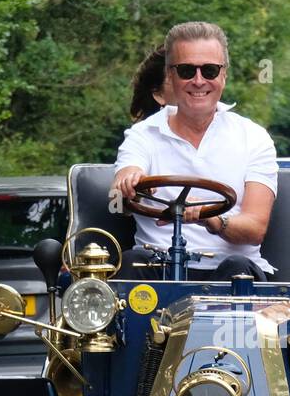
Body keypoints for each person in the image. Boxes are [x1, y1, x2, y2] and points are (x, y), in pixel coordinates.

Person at [110, 21, 276, 279]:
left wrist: (210, 218)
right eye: (187, 71)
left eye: (209, 70)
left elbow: (255, 228)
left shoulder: (253, 137)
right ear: (170, 75)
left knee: (238, 269)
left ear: (224, 75)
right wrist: (130, 182)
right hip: (157, 268)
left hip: (230, 272)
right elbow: (128, 173)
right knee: (132, 262)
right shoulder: (143, 135)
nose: (198, 81)